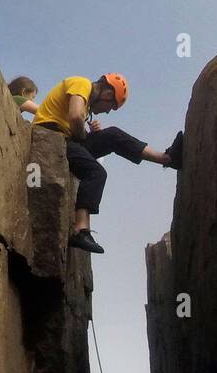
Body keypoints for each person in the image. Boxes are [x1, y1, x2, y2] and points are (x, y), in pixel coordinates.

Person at [32, 73, 184, 254]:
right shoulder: (81, 83)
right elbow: (74, 117)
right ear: (108, 95)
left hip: (66, 138)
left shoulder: (86, 101)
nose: (107, 111)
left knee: (112, 135)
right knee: (96, 172)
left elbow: (75, 120)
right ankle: (81, 230)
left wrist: (88, 132)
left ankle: (166, 158)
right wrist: (84, 134)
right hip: (51, 136)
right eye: (111, 107)